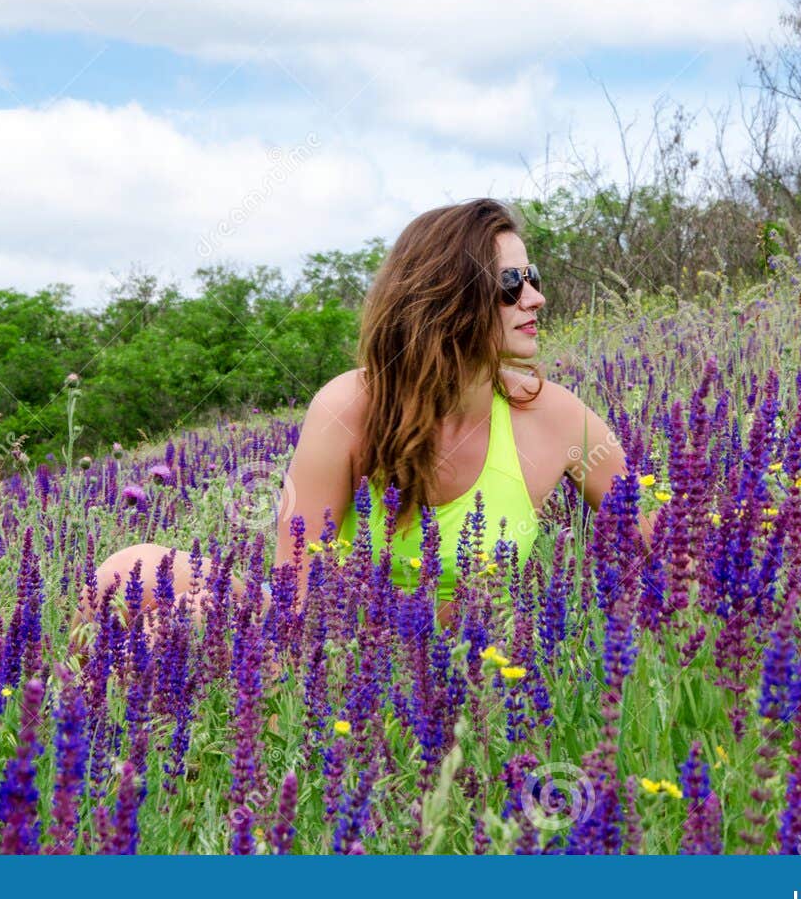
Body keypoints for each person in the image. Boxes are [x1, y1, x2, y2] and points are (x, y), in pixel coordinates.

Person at [83, 197, 650, 629]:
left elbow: (665, 547)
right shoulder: (350, 407)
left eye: (533, 279)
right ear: (445, 297)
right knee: (121, 576)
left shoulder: (554, 418)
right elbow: (295, 593)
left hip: (468, 677)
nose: (534, 297)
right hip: (336, 647)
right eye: (509, 284)